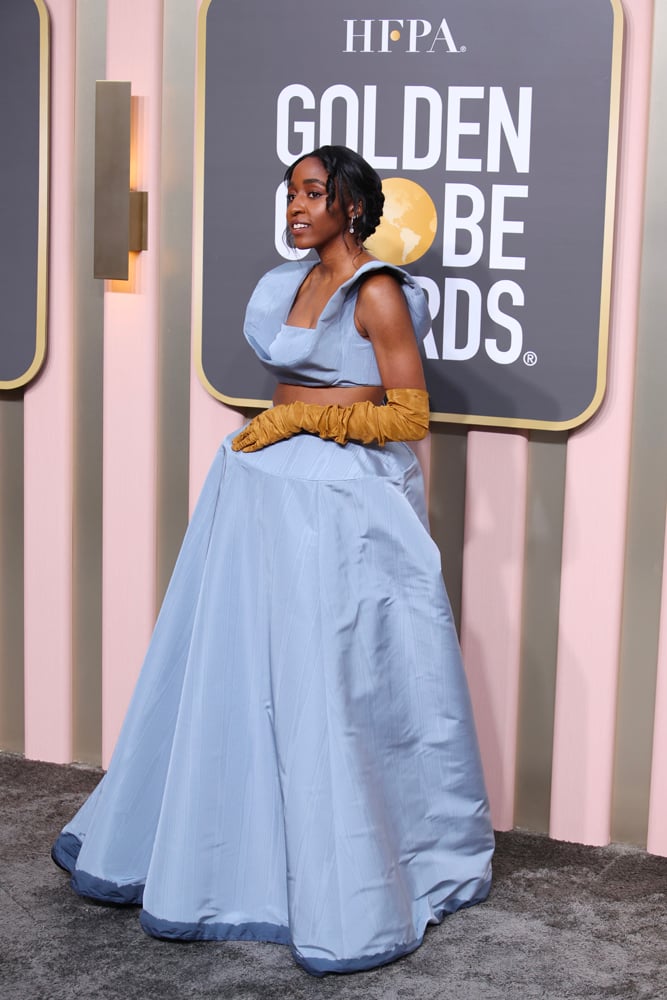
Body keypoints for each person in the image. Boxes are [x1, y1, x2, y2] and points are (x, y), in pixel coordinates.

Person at [52, 145, 494, 976]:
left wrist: (301, 423)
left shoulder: (380, 292)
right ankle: (235, 858)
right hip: (259, 494)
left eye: (313, 194)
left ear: (353, 207)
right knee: (238, 670)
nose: (295, 207)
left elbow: (406, 418)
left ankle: (348, 875)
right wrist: (277, 426)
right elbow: (295, 386)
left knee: (329, 683)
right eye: (290, 192)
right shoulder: (281, 286)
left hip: (343, 511)